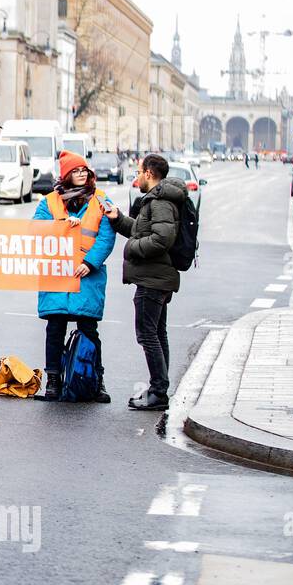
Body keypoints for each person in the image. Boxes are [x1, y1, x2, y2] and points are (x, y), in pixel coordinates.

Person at [102, 153, 187, 411]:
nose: (136, 176)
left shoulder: (159, 202)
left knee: (148, 335)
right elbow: (141, 229)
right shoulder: (155, 200)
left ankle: (159, 392)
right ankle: (159, 388)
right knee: (157, 334)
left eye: (139, 171)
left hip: (153, 279)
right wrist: (117, 218)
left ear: (149, 173)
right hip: (156, 277)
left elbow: (162, 239)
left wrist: (132, 248)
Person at [32, 151, 116, 403]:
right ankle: (53, 382)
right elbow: (36, 229)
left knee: (89, 330)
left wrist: (90, 263)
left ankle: (95, 380)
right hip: (58, 275)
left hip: (88, 276)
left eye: (84, 171)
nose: (81, 174)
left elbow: (106, 236)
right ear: (66, 176)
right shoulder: (49, 202)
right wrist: (60, 227)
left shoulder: (101, 199)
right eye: (75, 171)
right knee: (55, 328)